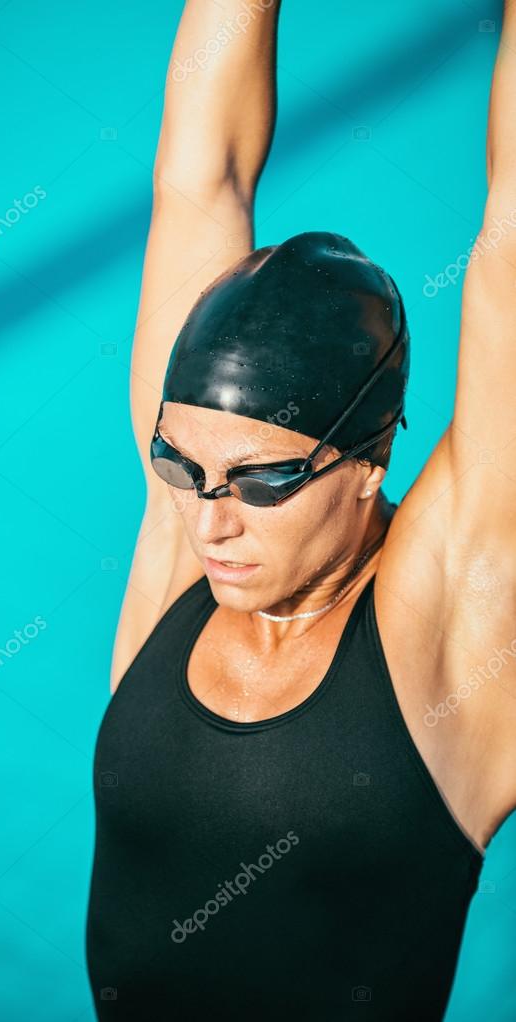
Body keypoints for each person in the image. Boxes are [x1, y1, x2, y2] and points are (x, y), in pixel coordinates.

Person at [86, 2, 516, 1019]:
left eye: (265, 480)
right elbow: (201, 180)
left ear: (368, 461)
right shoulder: (189, 539)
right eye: (179, 465)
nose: (208, 520)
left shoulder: (453, 619)